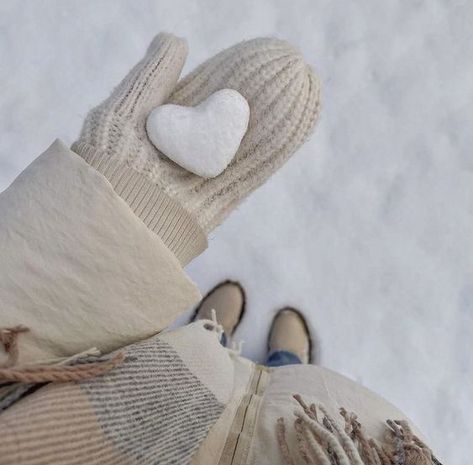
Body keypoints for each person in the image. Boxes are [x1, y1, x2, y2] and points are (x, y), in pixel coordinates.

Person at [0, 33, 440, 465]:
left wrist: (114, 218)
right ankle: (277, 362)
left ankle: (214, 342)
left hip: (158, 404)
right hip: (322, 434)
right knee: (294, 390)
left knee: (208, 365)